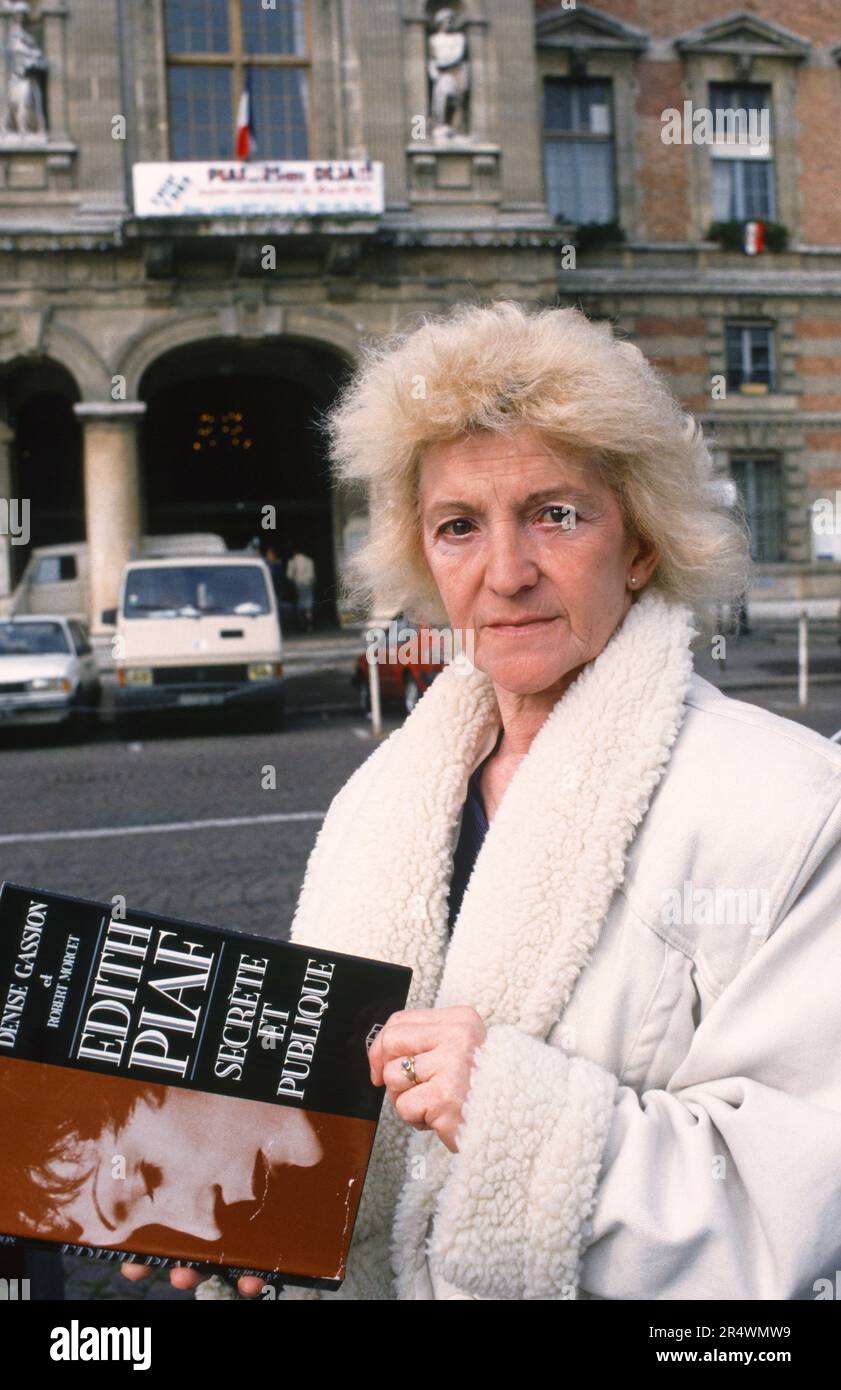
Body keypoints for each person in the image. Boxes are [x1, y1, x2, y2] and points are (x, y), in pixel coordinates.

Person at [126, 299, 841, 1301]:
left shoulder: (788, 803)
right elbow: (330, 1118)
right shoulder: (377, 799)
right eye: (459, 526)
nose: (505, 573)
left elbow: (793, 1211)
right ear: (424, 559)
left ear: (638, 542)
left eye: (555, 513)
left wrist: (512, 1113)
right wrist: (237, 1189)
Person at [286, 547, 315, 632]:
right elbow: (312, 575)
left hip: (298, 585)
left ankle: (302, 624)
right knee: (308, 604)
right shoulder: (309, 561)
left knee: (300, 604)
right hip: (308, 584)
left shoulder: (292, 561)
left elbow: (289, 575)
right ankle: (310, 624)